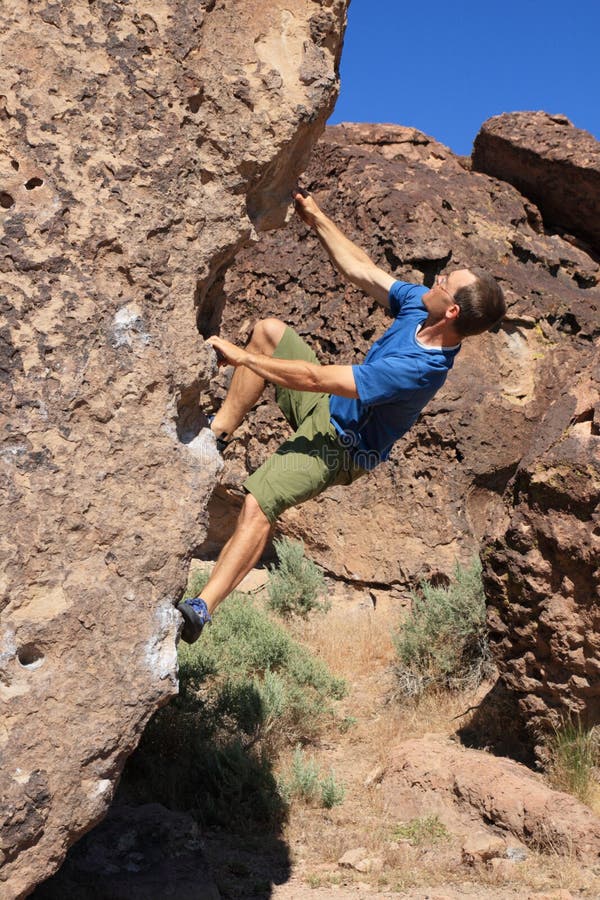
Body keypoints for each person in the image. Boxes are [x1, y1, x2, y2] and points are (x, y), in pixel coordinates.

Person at [177, 190, 506, 643]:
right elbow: (362, 270)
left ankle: (201, 608)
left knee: (261, 501)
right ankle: (217, 434)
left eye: (447, 281)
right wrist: (316, 217)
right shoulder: (421, 306)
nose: (440, 277)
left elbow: (316, 378)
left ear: (451, 311)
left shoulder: (421, 369)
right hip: (328, 409)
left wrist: (242, 358)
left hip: (342, 447)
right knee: (270, 332)